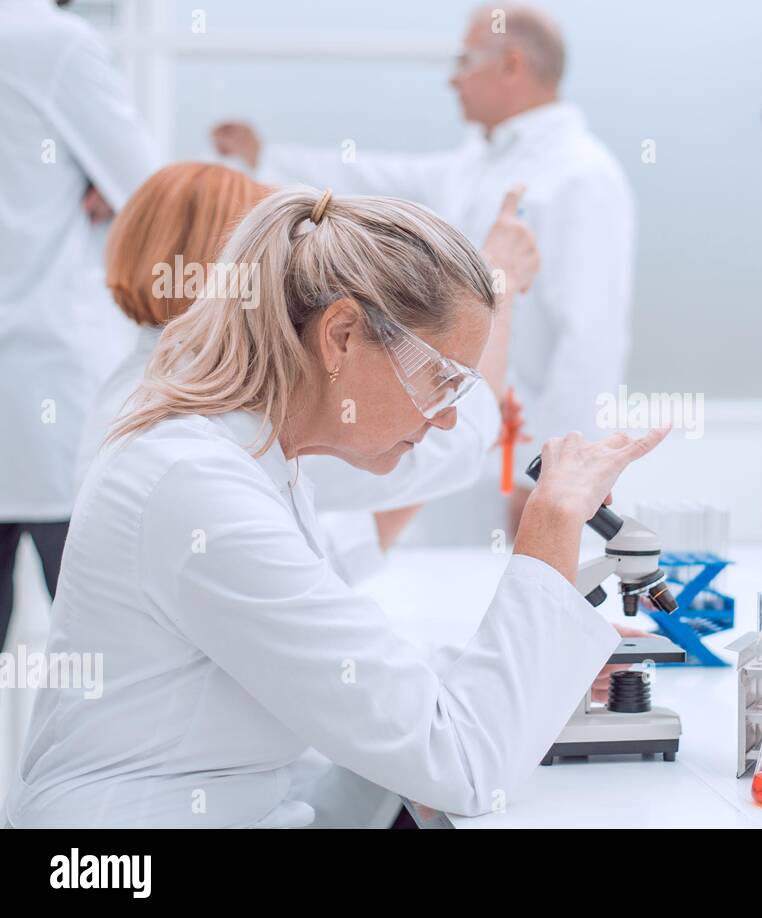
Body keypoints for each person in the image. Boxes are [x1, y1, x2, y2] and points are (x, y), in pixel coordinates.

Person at [5, 186, 666, 827]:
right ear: (343, 334)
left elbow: (357, 677)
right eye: (442, 378)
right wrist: (549, 526)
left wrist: (539, 673)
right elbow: (464, 765)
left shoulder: (254, 457)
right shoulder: (198, 484)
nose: (445, 420)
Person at [212, 3, 634, 534]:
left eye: (465, 60)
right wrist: (266, 156)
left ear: (512, 65)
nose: (452, 79)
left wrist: (550, 482)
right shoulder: (478, 163)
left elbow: (591, 341)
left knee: (524, 594)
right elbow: (384, 177)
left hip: (520, 459)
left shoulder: (581, 175)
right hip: (457, 433)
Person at [77, 162, 538, 585]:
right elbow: (452, 448)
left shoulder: (145, 388)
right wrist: (497, 282)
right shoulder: (209, 437)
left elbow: (310, 565)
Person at [0, 0, 157, 651]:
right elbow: (154, 197)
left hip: (37, 388)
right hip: (45, 378)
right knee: (104, 656)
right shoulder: (55, 43)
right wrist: (102, 178)